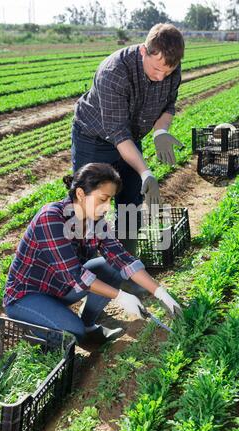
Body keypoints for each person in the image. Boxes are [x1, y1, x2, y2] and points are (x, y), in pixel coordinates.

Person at [3, 163, 182, 346]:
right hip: (27, 295)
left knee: (112, 268)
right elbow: (75, 275)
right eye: (103, 199)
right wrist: (120, 296)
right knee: (72, 333)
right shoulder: (50, 218)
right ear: (81, 194)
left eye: (110, 200)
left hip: (61, 287)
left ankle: (87, 324)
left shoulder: (95, 221)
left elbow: (122, 258)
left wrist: (160, 292)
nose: (107, 207)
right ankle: (34, 331)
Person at [71, 23, 185, 257]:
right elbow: (118, 134)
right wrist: (145, 171)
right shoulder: (114, 72)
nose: (161, 76)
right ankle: (85, 270)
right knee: (91, 205)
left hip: (131, 139)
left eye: (168, 71)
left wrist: (160, 131)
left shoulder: (170, 67)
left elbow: (168, 106)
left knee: (131, 203)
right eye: (156, 69)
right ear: (144, 51)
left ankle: (126, 267)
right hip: (95, 139)